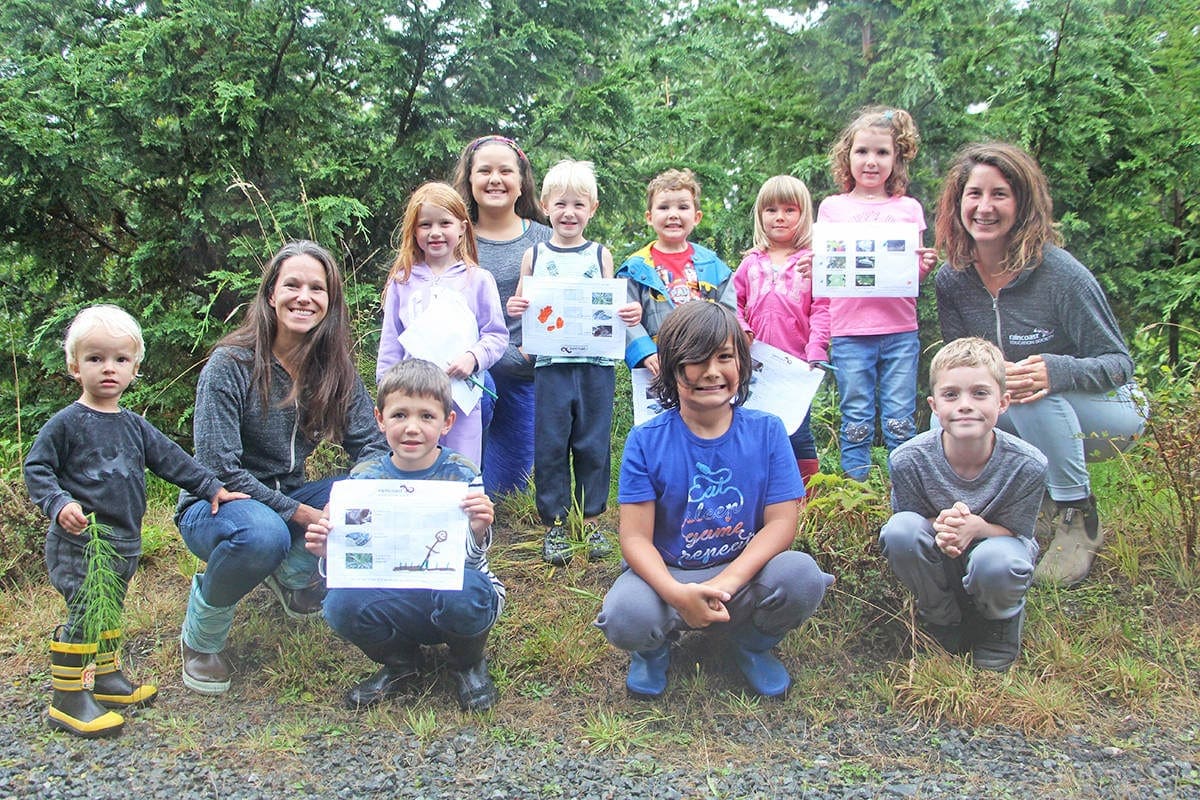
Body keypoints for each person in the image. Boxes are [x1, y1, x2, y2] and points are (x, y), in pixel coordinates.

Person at [176, 241, 389, 695]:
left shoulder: (335, 369)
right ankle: (201, 638)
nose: (304, 297)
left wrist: (359, 493)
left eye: (317, 288)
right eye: (292, 285)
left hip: (284, 496)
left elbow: (370, 445)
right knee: (262, 534)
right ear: (271, 294)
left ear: (330, 303)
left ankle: (292, 572)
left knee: (371, 494)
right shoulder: (229, 364)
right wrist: (305, 516)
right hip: (215, 503)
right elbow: (219, 469)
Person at [24, 305, 245, 737]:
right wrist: (57, 503)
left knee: (110, 608)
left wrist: (213, 488)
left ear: (134, 368)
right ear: (74, 366)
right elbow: (37, 469)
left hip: (125, 540)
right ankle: (67, 698)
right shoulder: (66, 424)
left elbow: (175, 462)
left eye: (120, 360)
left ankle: (105, 679)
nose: (109, 369)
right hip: (80, 542)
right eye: (95, 359)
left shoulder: (133, 427)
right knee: (86, 612)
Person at [594, 302, 834, 698]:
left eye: (725, 356)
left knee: (801, 576)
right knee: (625, 616)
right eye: (696, 359)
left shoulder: (769, 432)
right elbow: (635, 539)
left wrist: (727, 582)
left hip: (743, 573)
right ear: (672, 367)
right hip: (669, 574)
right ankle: (652, 652)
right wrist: (678, 595)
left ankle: (752, 643)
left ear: (742, 363)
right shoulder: (645, 440)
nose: (711, 371)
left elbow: (781, 524)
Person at [934, 142, 1145, 587]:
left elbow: (1120, 363)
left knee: (1026, 391)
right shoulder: (952, 279)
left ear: (1022, 204)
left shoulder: (1060, 275)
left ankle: (1077, 515)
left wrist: (1057, 369)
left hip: (1111, 412)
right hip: (1028, 410)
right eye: (974, 194)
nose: (984, 207)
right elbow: (961, 368)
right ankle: (986, 516)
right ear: (958, 203)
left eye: (1000, 195)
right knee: (948, 424)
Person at [304, 360, 503, 712]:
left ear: (447, 423)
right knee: (338, 604)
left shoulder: (463, 473)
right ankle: (401, 664)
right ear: (380, 420)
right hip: (394, 597)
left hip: (453, 592)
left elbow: (472, 563)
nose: (412, 428)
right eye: (399, 416)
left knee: (471, 592)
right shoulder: (363, 480)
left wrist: (477, 530)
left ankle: (467, 663)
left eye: (427, 416)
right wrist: (327, 553)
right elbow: (352, 563)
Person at [879, 337, 1047, 671]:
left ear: (1003, 402)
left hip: (999, 550)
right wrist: (942, 526)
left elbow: (1019, 532)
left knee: (996, 560)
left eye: (980, 393)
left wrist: (977, 528)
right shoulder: (907, 460)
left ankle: (999, 622)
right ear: (934, 405)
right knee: (898, 532)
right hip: (941, 552)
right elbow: (911, 523)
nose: (965, 405)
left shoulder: (1028, 464)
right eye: (951, 394)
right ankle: (941, 618)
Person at [506, 160, 642, 565]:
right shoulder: (535, 254)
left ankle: (593, 520)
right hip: (550, 368)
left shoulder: (600, 254)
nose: (569, 212)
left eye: (579, 205)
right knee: (550, 444)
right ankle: (555, 525)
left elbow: (611, 307)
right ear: (545, 205)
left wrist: (628, 314)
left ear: (592, 209)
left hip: (595, 365)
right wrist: (517, 307)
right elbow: (520, 305)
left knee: (592, 443)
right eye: (561, 204)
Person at [816, 107, 938, 481]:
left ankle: (905, 492)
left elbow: (908, 276)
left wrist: (923, 265)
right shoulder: (833, 208)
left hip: (900, 330)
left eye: (882, 153)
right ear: (847, 156)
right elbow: (829, 269)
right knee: (856, 414)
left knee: (900, 416)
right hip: (851, 331)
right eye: (862, 152)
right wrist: (815, 268)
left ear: (897, 158)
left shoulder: (908, 208)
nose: (871, 161)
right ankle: (858, 491)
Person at [376, 181, 508, 466]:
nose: (435, 233)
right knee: (415, 465)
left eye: (444, 223)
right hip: (413, 400)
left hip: (462, 397)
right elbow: (390, 342)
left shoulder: (478, 280)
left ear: (462, 227)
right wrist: (386, 391)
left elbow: (496, 336)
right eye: (425, 225)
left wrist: (472, 358)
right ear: (413, 230)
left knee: (460, 467)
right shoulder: (402, 282)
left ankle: (464, 511)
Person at [452, 134, 551, 494]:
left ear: (522, 181)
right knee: (458, 484)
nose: (495, 179)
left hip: (524, 379)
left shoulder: (547, 240)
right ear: (469, 179)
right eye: (485, 171)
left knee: (506, 492)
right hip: (465, 376)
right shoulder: (452, 237)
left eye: (505, 170)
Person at [734, 175, 831, 492]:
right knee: (754, 428)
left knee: (797, 430)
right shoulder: (751, 262)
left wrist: (817, 348)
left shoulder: (811, 262)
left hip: (796, 364)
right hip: (756, 362)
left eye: (790, 210)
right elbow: (732, 300)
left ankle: (808, 499)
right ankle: (759, 494)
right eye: (771, 209)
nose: (779, 217)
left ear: (804, 215)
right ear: (760, 215)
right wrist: (742, 329)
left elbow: (822, 307)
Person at [618, 168, 741, 376]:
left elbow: (729, 313)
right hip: (657, 365)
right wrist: (645, 353)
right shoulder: (634, 268)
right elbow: (623, 318)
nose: (673, 214)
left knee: (704, 408)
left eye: (683, 207)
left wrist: (721, 353)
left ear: (697, 217)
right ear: (649, 217)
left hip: (705, 361)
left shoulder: (713, 265)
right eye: (664, 207)